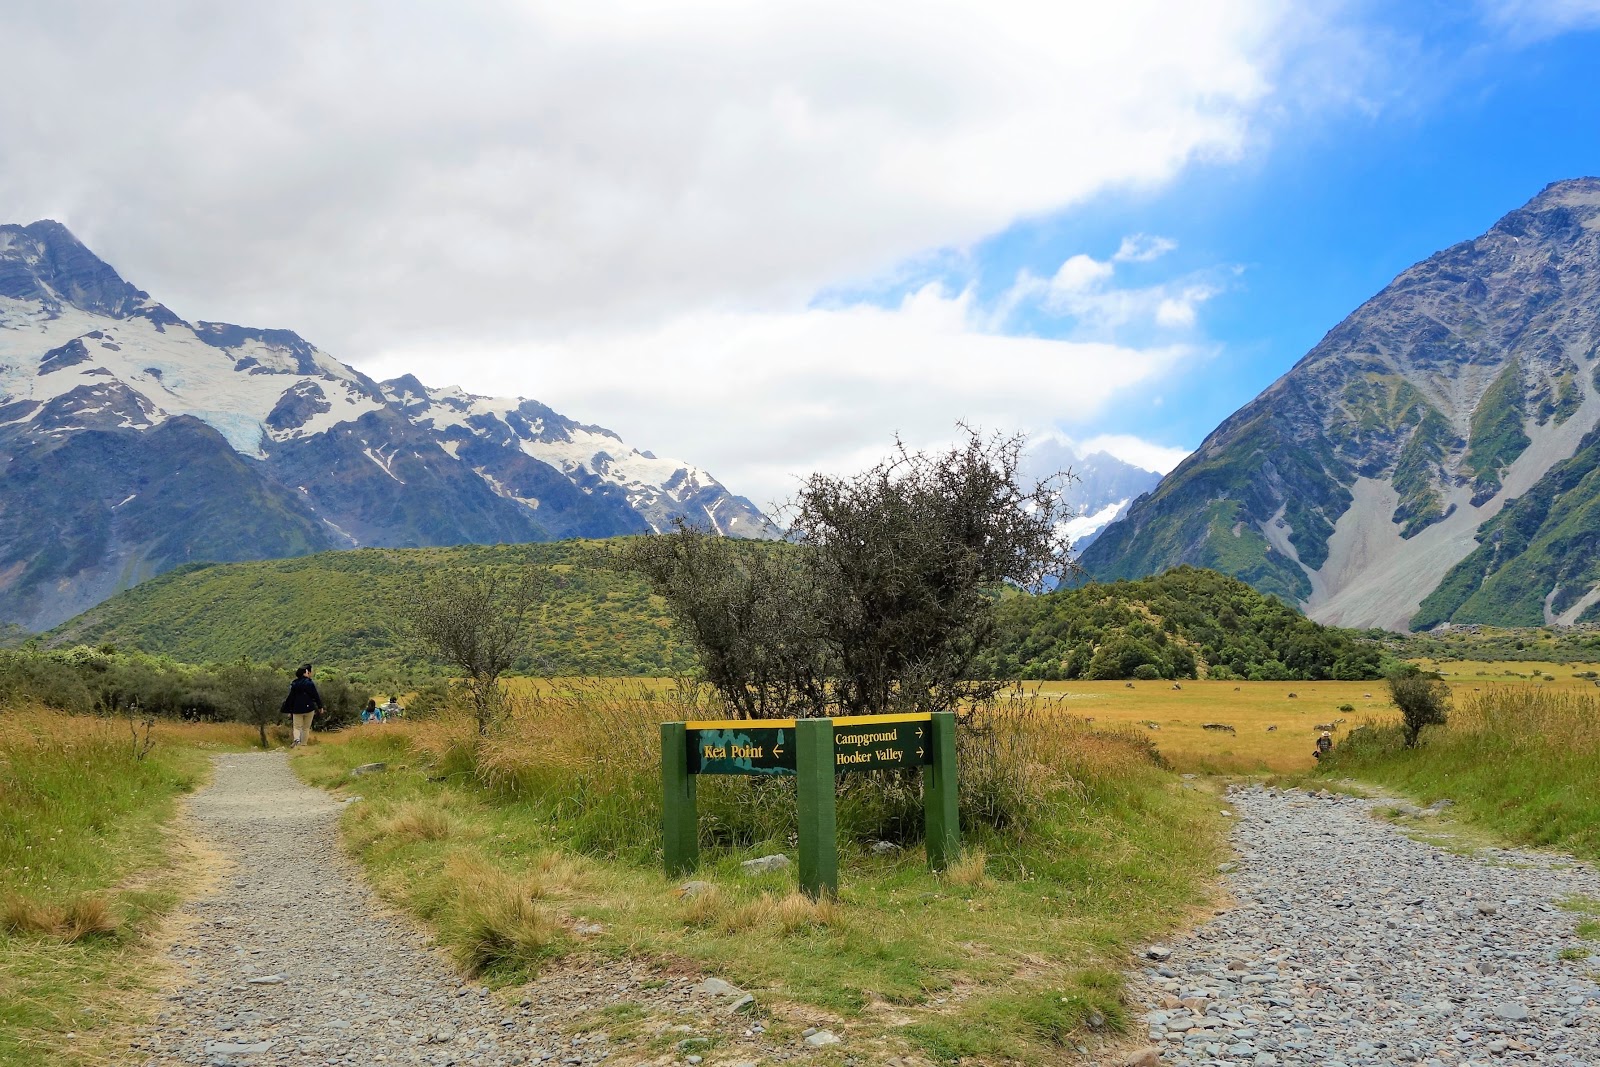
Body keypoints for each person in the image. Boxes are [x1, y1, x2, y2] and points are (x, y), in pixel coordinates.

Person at [280, 663, 324, 747]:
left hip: (297, 709)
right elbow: (316, 695)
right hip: (309, 708)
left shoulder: (294, 684)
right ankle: (303, 745)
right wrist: (320, 706)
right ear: (307, 672)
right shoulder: (310, 683)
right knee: (306, 728)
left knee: (297, 727)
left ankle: (296, 739)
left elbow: (291, 698)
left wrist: (289, 710)